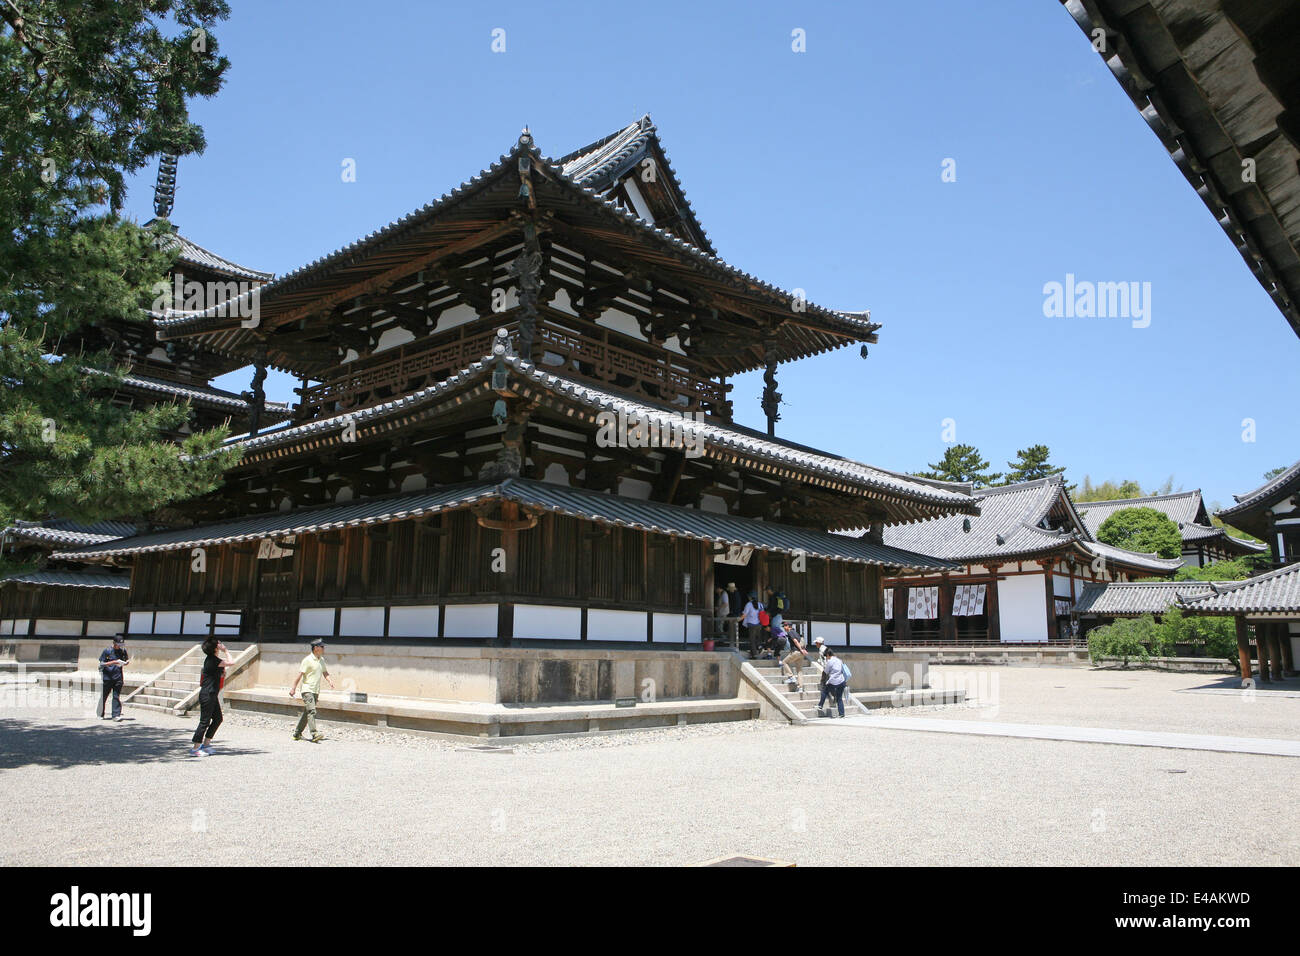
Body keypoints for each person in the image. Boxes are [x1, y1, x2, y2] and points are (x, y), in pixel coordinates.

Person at [190, 639, 235, 756]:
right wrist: (226, 650)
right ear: (215, 648)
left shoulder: (212, 660)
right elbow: (231, 662)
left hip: (212, 694)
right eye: (218, 643)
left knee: (218, 719)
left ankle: (206, 744)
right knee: (204, 721)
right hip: (207, 694)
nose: (221, 645)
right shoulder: (214, 660)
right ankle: (195, 748)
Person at [289, 638, 335, 742]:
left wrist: (330, 681)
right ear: (316, 648)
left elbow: (325, 672)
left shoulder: (321, 660)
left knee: (307, 712)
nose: (323, 649)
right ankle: (314, 734)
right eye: (322, 647)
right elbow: (299, 674)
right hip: (307, 690)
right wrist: (293, 688)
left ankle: (297, 734)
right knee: (312, 711)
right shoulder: (307, 660)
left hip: (315, 690)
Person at [97, 635, 130, 721]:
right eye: (118, 644)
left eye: (121, 644)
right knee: (104, 696)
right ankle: (100, 713)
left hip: (118, 677)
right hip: (107, 677)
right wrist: (114, 662)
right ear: (114, 643)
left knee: (116, 696)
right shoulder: (107, 651)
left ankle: (116, 715)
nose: (120, 646)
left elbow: (125, 660)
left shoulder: (123, 651)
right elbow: (101, 663)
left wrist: (126, 662)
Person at [817, 649, 848, 718]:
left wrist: (822, 681)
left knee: (824, 691)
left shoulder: (830, 661)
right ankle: (841, 713)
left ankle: (820, 705)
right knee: (839, 697)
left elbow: (825, 672)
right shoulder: (839, 660)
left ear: (828, 655)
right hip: (842, 681)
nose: (826, 658)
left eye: (826, 656)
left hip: (834, 680)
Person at [740, 591, 765, 659]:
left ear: (750, 597)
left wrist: (737, 620)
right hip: (759, 624)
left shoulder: (749, 604)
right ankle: (759, 648)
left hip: (751, 624)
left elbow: (744, 615)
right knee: (758, 638)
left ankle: (754, 654)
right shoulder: (760, 604)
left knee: (752, 640)